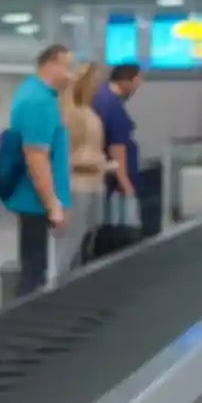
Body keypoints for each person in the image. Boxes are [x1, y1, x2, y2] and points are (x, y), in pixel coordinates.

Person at [3, 44, 73, 298]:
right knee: (34, 275)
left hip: (37, 200)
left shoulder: (40, 96)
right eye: (66, 67)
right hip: (35, 201)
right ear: (51, 65)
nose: (69, 74)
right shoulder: (37, 100)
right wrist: (53, 204)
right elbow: (36, 156)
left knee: (37, 270)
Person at [58, 64, 109, 274]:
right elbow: (61, 158)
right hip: (78, 186)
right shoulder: (72, 114)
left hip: (95, 185)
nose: (97, 87)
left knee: (87, 245)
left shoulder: (90, 114)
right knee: (70, 247)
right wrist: (91, 164)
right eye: (93, 81)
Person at [92, 63, 143, 222]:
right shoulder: (113, 107)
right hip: (109, 182)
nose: (137, 87)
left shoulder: (99, 98)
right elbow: (117, 152)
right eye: (137, 82)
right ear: (128, 81)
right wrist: (126, 185)